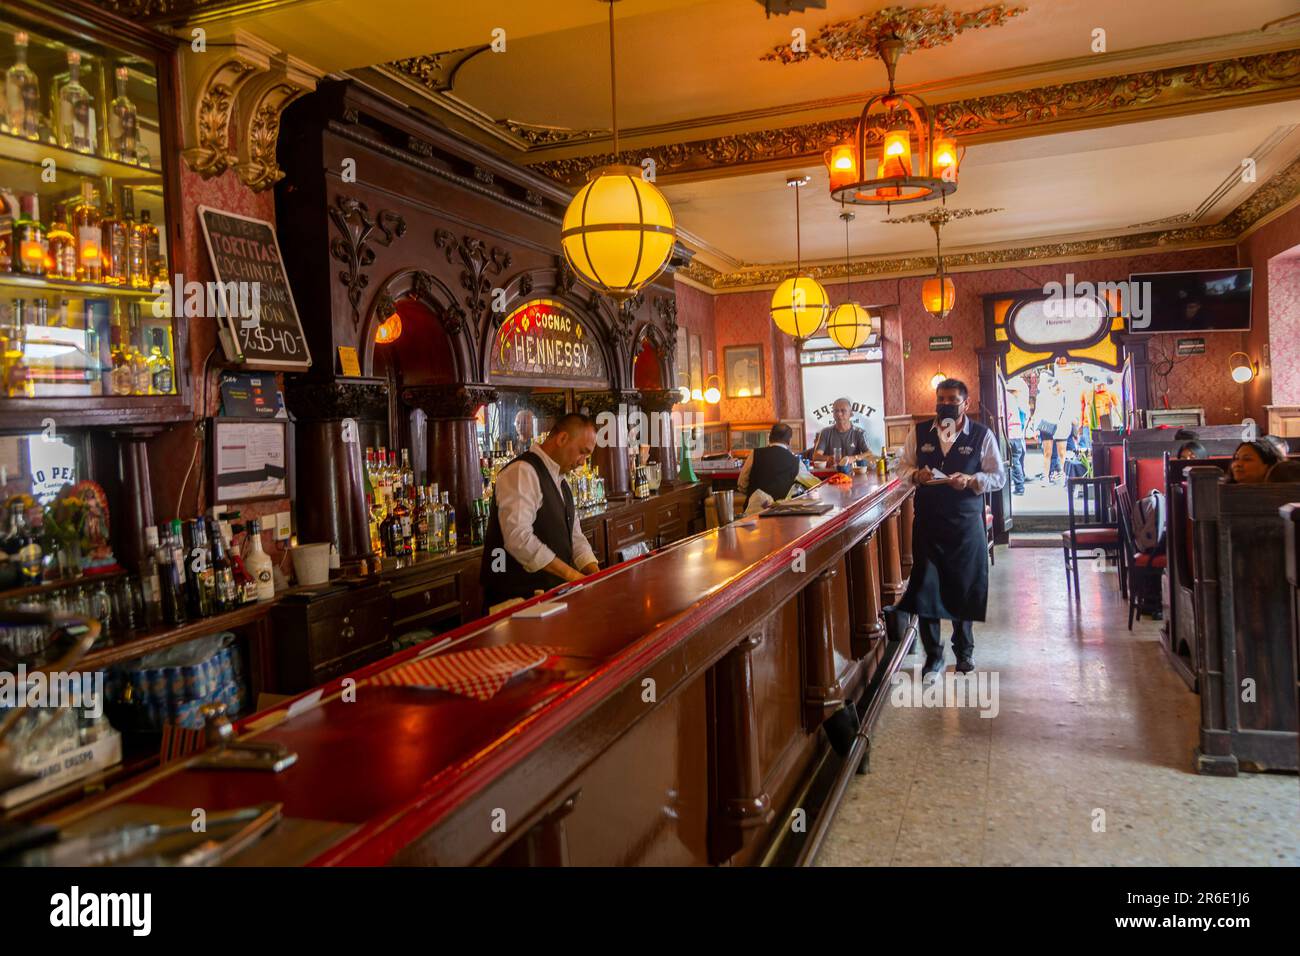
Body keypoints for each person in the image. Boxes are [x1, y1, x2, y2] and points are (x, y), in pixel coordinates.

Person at [896, 378, 1006, 677]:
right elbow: (901, 468)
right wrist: (915, 474)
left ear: (965, 404)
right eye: (940, 398)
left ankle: (965, 651)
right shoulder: (919, 432)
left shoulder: (981, 435)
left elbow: (998, 477)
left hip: (965, 522)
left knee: (963, 585)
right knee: (926, 587)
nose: (945, 403)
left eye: (951, 399)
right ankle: (934, 656)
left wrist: (971, 481)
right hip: (928, 521)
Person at [480, 412, 600, 608]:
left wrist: (595, 573)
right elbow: (518, 538)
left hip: (550, 599)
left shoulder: (561, 481)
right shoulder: (521, 472)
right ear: (562, 438)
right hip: (515, 601)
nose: (582, 462)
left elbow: (575, 536)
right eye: (582, 451)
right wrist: (572, 575)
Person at [737, 422, 817, 502]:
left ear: (769, 438)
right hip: (781, 510)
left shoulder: (755, 453)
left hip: (753, 510)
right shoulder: (795, 461)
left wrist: (754, 496)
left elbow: (741, 484)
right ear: (789, 440)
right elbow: (813, 484)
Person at [811, 398, 871, 465]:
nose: (839, 414)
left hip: (853, 473)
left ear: (851, 413)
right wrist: (828, 458)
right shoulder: (825, 432)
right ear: (833, 414)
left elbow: (869, 454)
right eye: (836, 411)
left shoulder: (859, 433)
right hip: (832, 473)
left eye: (843, 411)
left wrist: (854, 458)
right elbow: (815, 456)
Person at [1032, 377, 1068, 484]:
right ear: (1050, 387)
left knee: (1062, 453)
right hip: (1047, 427)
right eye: (1056, 389)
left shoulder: (1063, 396)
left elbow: (1067, 411)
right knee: (1047, 453)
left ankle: (1063, 476)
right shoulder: (1043, 397)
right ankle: (1045, 477)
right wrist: (1035, 429)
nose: (1058, 391)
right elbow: (1038, 413)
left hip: (1061, 426)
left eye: (1059, 389)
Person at [1005, 382, 1028, 496]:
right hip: (1017, 434)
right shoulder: (1014, 400)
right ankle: (1019, 485)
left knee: (1014, 461)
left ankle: (1019, 487)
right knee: (1016, 460)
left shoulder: (1005, 398)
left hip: (1011, 435)